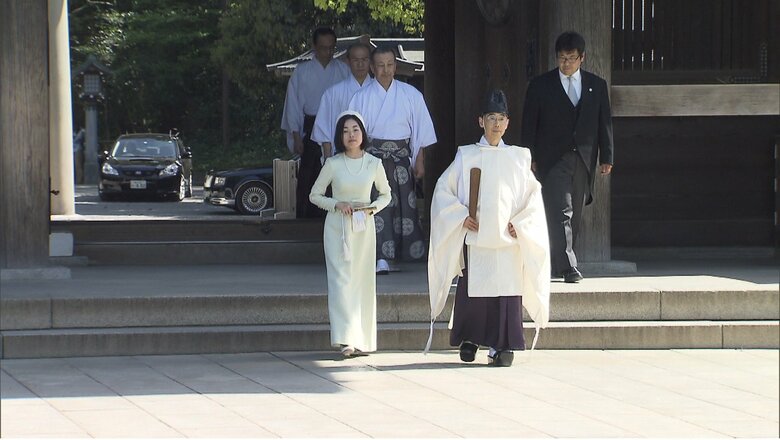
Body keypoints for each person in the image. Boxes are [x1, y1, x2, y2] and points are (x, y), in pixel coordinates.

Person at [427, 90, 550, 367]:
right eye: (491, 118)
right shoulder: (466, 155)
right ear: (480, 121)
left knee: (506, 293)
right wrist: (460, 215)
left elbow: (533, 196)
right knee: (475, 291)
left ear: (508, 123)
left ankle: (502, 345)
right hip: (477, 235)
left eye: (501, 119)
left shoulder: (519, 157)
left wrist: (522, 224)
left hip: (509, 238)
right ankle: (471, 338)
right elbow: (443, 191)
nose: (496, 124)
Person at [521, 31, 614, 283]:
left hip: (583, 156)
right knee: (561, 209)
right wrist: (528, 156)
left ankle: (557, 260)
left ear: (582, 58)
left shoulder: (597, 85)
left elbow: (603, 123)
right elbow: (529, 124)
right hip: (552, 158)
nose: (566, 63)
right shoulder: (541, 85)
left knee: (576, 212)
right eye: (562, 58)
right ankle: (568, 267)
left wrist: (607, 156)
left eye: (571, 58)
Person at [309, 110, 392, 358]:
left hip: (362, 228)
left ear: (363, 133)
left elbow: (386, 194)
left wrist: (371, 208)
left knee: (363, 281)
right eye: (345, 131)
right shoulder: (333, 164)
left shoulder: (374, 164)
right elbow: (314, 195)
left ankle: (362, 338)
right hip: (338, 229)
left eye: (355, 129)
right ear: (339, 136)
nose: (351, 135)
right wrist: (337, 204)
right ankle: (345, 339)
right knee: (341, 282)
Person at [348, 46, 437, 274]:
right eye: (380, 65)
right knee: (377, 208)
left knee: (404, 207)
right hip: (372, 160)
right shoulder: (361, 97)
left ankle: (408, 254)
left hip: (401, 159)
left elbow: (422, 131)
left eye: (389, 65)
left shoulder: (411, 95)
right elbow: (354, 133)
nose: (385, 70)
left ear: (396, 66)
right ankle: (380, 257)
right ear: (372, 68)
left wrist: (419, 160)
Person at [281, 27, 350, 218]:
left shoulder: (343, 70)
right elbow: (293, 105)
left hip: (338, 128)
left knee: (337, 173)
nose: (327, 52)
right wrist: (296, 135)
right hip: (311, 126)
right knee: (309, 175)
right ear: (314, 47)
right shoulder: (302, 71)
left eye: (330, 48)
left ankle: (335, 215)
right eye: (322, 48)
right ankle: (306, 217)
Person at [312, 42, 374, 160]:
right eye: (355, 60)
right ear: (348, 61)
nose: (360, 64)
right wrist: (327, 161)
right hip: (341, 156)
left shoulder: (377, 91)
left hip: (372, 156)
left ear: (370, 61)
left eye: (364, 59)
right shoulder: (332, 93)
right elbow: (324, 132)